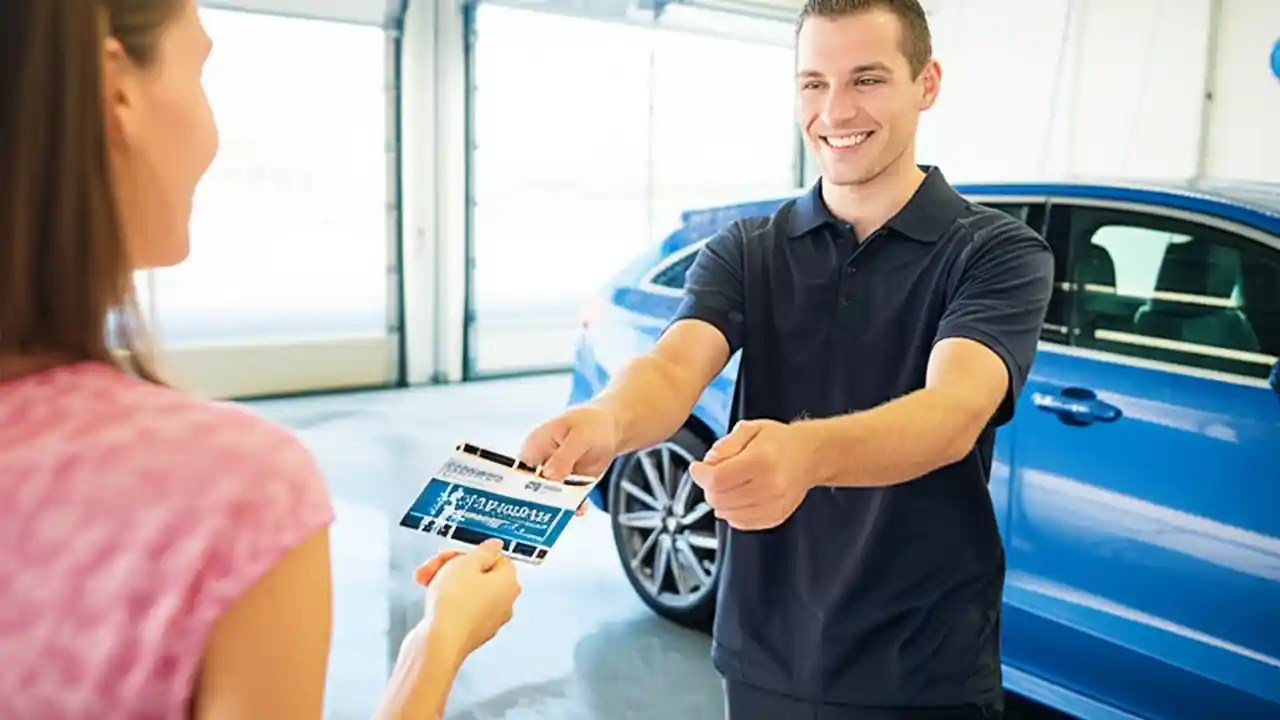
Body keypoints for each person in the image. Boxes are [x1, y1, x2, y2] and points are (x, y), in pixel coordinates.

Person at [520, 0, 1055, 718]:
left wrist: (805, 454)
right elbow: (675, 367)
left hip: (923, 667)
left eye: (866, 79)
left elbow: (951, 413)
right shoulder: (746, 250)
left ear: (926, 84)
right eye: (813, 82)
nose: (834, 111)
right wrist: (606, 421)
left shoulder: (994, 253)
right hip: (764, 654)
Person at [0, 1, 519, 718]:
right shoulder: (231, 488)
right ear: (114, 89)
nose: (214, 134)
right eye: (200, 69)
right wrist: (438, 643)